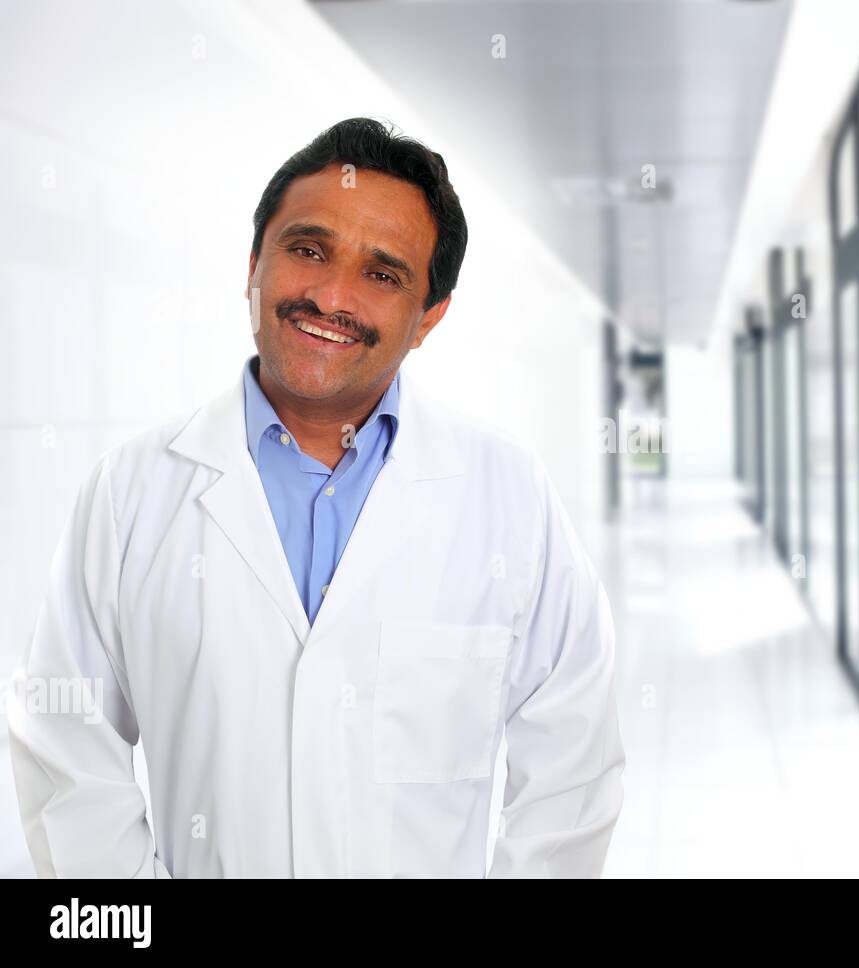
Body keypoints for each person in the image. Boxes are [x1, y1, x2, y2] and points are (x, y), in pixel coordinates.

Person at [6, 117, 625, 877]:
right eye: (307, 250)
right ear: (254, 267)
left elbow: (573, 759)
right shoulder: (131, 492)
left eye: (383, 273)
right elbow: (64, 738)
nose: (331, 295)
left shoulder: (509, 498)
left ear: (429, 317)